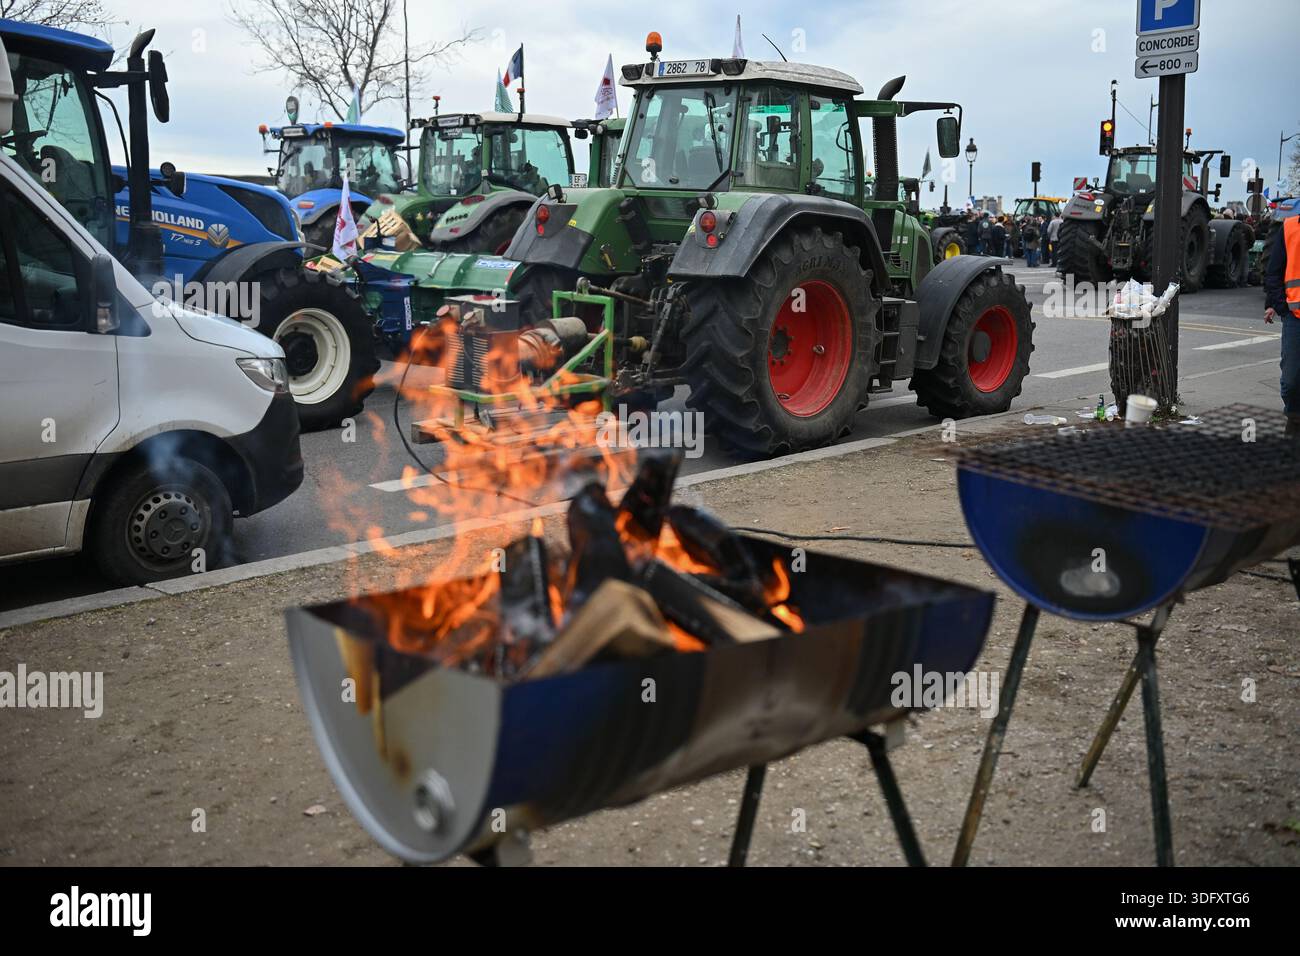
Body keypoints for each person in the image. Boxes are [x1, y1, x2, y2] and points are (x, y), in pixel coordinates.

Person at [1263, 197, 1300, 430]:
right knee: (1291, 382)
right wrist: (1280, 305)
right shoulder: (1290, 227)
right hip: (1295, 318)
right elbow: (1273, 272)